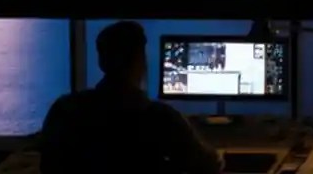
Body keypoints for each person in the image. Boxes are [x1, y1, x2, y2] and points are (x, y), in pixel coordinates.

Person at [39, 21, 222, 174]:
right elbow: (208, 166)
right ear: (140, 61)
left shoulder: (64, 110)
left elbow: (48, 165)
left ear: (101, 62)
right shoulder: (162, 119)